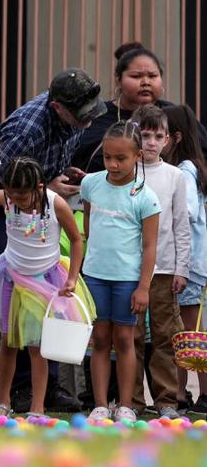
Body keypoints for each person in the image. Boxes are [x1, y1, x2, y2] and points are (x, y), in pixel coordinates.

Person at [0, 157, 84, 420]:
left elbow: (76, 241)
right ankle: (3, 401)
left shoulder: (55, 204)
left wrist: (72, 278)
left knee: (36, 346)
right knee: (8, 342)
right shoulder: (8, 199)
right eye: (12, 196)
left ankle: (38, 406)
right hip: (12, 277)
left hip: (44, 282)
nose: (17, 201)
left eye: (23, 197)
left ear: (39, 187)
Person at [80, 121, 160, 423]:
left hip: (127, 279)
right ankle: (101, 405)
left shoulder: (145, 197)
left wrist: (143, 287)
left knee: (125, 340)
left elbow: (150, 246)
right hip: (95, 276)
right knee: (99, 339)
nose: (112, 164)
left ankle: (126, 404)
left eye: (121, 158)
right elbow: (88, 222)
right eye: (107, 157)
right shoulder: (91, 184)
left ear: (137, 155)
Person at [131, 105, 194, 420]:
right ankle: (132, 401)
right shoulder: (128, 172)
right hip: (130, 269)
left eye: (159, 136)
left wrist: (182, 269)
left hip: (166, 269)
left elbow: (182, 225)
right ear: (135, 135)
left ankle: (167, 399)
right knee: (130, 337)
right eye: (146, 135)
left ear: (169, 140)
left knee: (164, 337)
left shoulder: (176, 176)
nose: (152, 142)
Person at [72, 43, 207, 175]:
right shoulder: (96, 115)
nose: (146, 82)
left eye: (153, 76)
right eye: (136, 76)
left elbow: (200, 154)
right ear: (119, 80)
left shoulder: (176, 116)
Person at [165, 106, 207, 411]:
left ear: (175, 137)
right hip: (195, 263)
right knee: (192, 332)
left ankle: (183, 394)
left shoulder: (184, 172)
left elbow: (187, 212)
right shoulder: (195, 168)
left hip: (188, 264)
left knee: (187, 333)